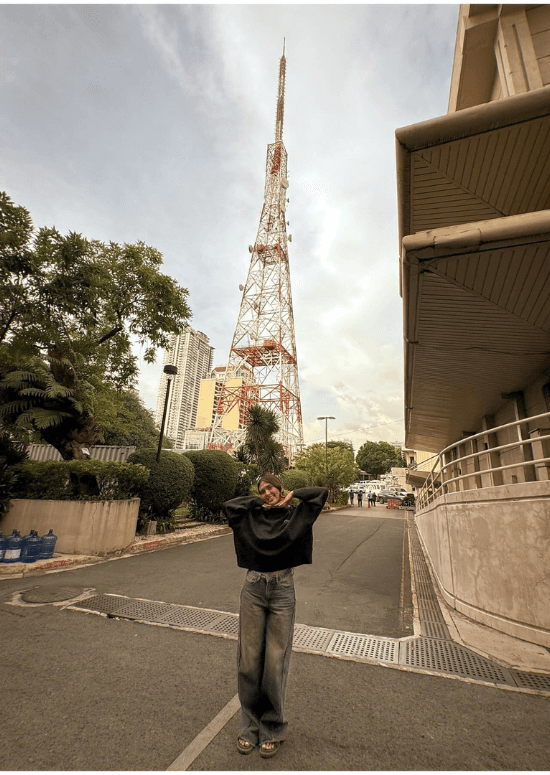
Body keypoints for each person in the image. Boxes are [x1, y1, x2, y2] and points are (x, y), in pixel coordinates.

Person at [223, 474, 328, 759]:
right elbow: (231, 506)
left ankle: (272, 728)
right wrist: (262, 503)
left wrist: (290, 495)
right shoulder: (253, 516)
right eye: (262, 490)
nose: (267, 492)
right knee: (248, 659)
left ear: (280, 488)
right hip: (253, 587)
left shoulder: (296, 516)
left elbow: (319, 493)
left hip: (282, 589)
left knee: (275, 661)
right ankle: (249, 727)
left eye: (271, 488)